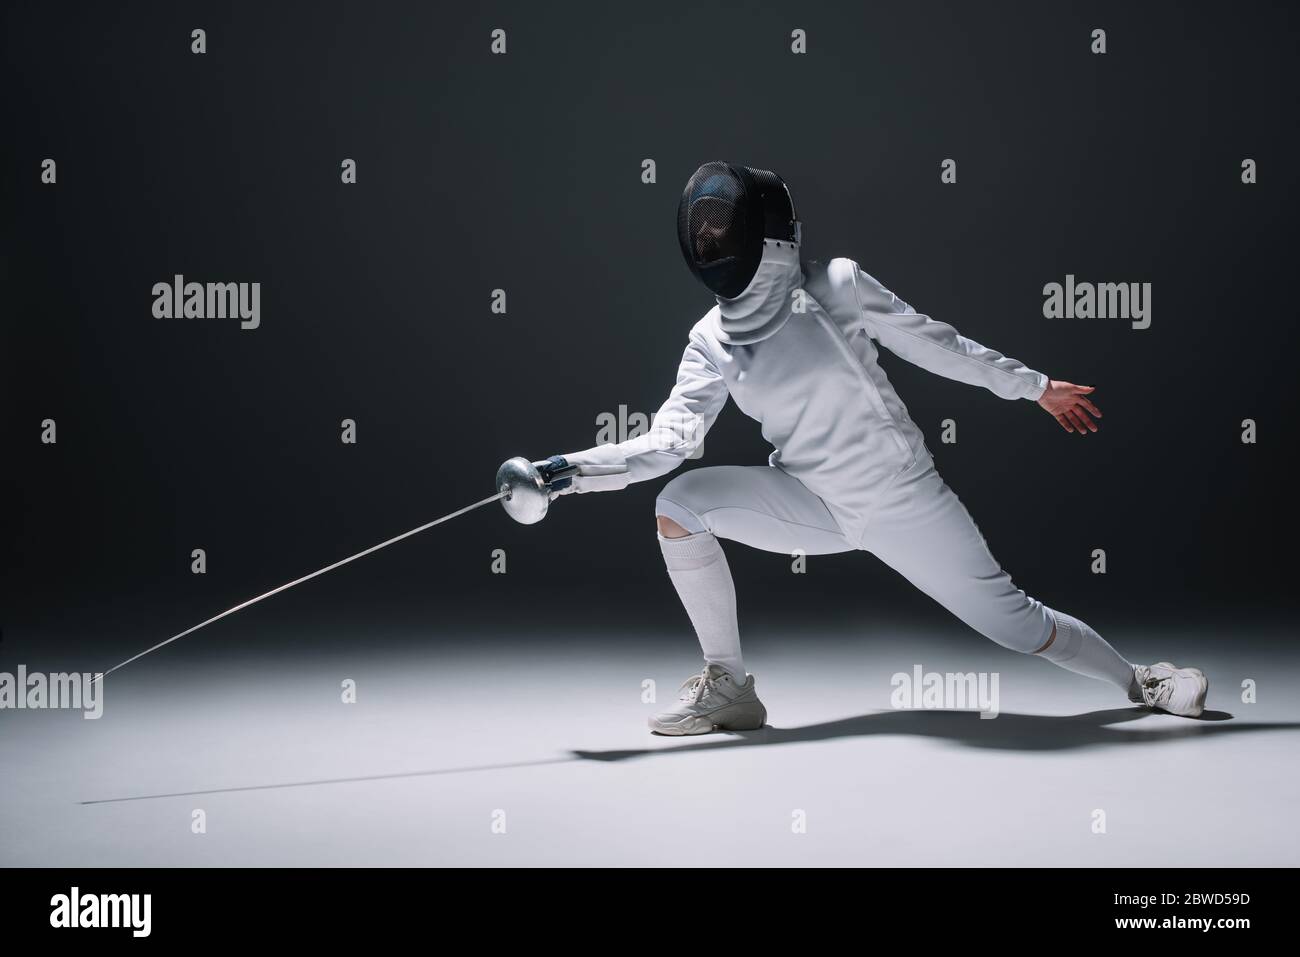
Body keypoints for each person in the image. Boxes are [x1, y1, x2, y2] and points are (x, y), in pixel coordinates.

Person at [532, 161, 1207, 735]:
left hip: (903, 501)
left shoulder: (838, 286)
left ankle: (1140, 680)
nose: (709, 236)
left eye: (721, 225)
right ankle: (732, 687)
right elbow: (664, 446)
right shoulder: (711, 340)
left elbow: (938, 344)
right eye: (703, 228)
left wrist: (1032, 387)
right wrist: (563, 473)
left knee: (1018, 624)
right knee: (679, 502)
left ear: (763, 232)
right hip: (811, 501)